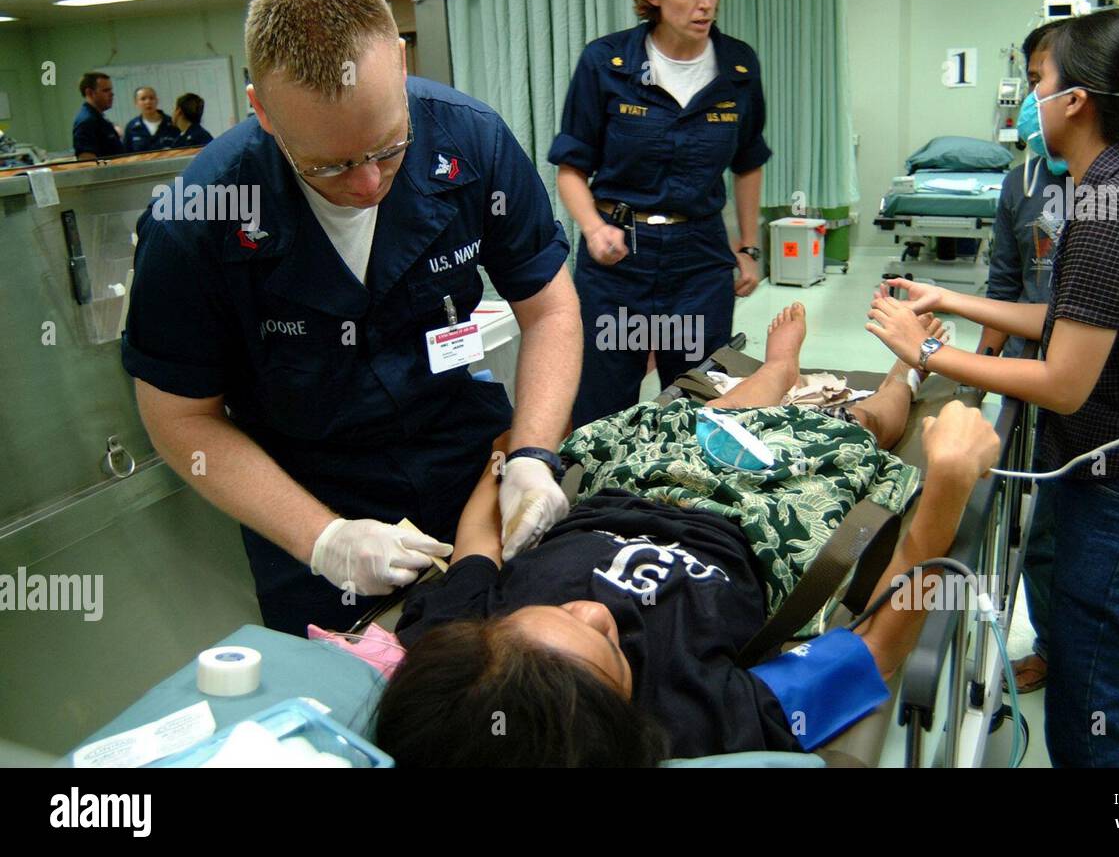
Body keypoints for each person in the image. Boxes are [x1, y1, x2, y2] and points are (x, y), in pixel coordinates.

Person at [122, 0, 581, 637]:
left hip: (467, 461)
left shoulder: (471, 141)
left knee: (509, 665)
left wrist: (536, 457)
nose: (368, 183)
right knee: (361, 704)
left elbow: (550, 308)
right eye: (330, 165)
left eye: (389, 148)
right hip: (312, 491)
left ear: (400, 62)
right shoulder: (200, 217)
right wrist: (323, 539)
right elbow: (178, 418)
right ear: (262, 111)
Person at [375, 305, 1002, 765]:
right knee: (856, 428)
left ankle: (781, 366)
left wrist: (513, 459)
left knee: (710, 423)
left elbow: (478, 545)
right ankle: (905, 374)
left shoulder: (460, 661)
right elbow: (878, 650)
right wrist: (947, 484)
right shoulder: (696, 717)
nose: (596, 610)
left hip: (632, 486)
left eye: (562, 610)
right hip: (761, 520)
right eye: (613, 649)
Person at [867, 9, 1119, 768]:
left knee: (1088, 717)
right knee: (1116, 697)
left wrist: (926, 354)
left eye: (1037, 84)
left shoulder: (1112, 211)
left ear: (1078, 101)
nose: (1029, 103)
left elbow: (1062, 381)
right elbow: (1064, 316)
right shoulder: (1116, 191)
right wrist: (948, 300)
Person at [549, 0, 770, 428]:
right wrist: (593, 227)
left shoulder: (738, 67)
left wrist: (749, 246)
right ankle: (599, 505)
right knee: (601, 403)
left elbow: (749, 161)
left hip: (699, 261)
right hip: (618, 264)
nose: (707, 3)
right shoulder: (606, 63)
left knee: (702, 401)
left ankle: (686, 506)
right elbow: (570, 168)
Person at [983, 20, 1068, 694]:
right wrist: (974, 379)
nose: (1029, 98)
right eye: (1030, 79)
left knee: (1069, 518)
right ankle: (1045, 634)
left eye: (1042, 80)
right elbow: (1006, 288)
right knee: (1028, 518)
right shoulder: (1021, 184)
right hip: (1026, 371)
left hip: (1091, 389)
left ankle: (1073, 643)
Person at [72, 72, 124, 159]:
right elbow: (88, 162)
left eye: (111, 90)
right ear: (89, 93)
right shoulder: (86, 121)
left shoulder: (98, 118)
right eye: (106, 90)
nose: (112, 94)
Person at [123, 86, 180, 152]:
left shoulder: (172, 123)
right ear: (136, 103)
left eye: (151, 98)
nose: (148, 102)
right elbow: (126, 154)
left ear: (157, 100)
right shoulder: (131, 127)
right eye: (143, 99)